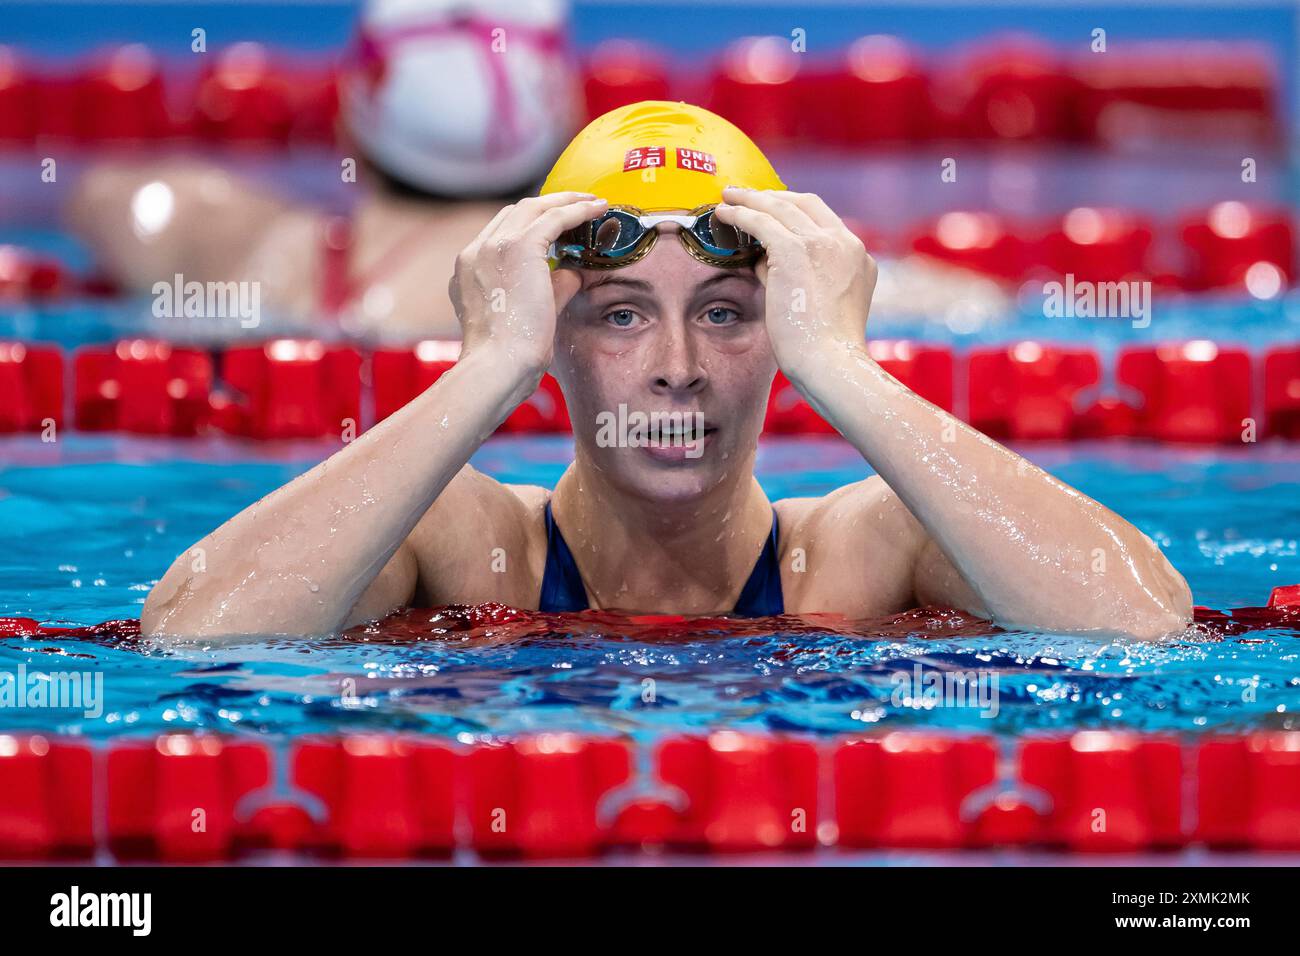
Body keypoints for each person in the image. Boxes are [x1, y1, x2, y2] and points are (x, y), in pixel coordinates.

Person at [141, 100, 1192, 641]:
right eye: (620, 316)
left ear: (781, 331)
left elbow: (1146, 628)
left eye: (728, 314)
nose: (676, 370)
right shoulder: (468, 548)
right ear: (553, 333)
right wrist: (487, 368)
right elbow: (192, 636)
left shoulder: (862, 555)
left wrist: (842, 366)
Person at [66, 0, 580, 340]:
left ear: (348, 127)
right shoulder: (565, 282)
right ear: (568, 123)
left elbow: (98, 195)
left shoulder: (231, 239)